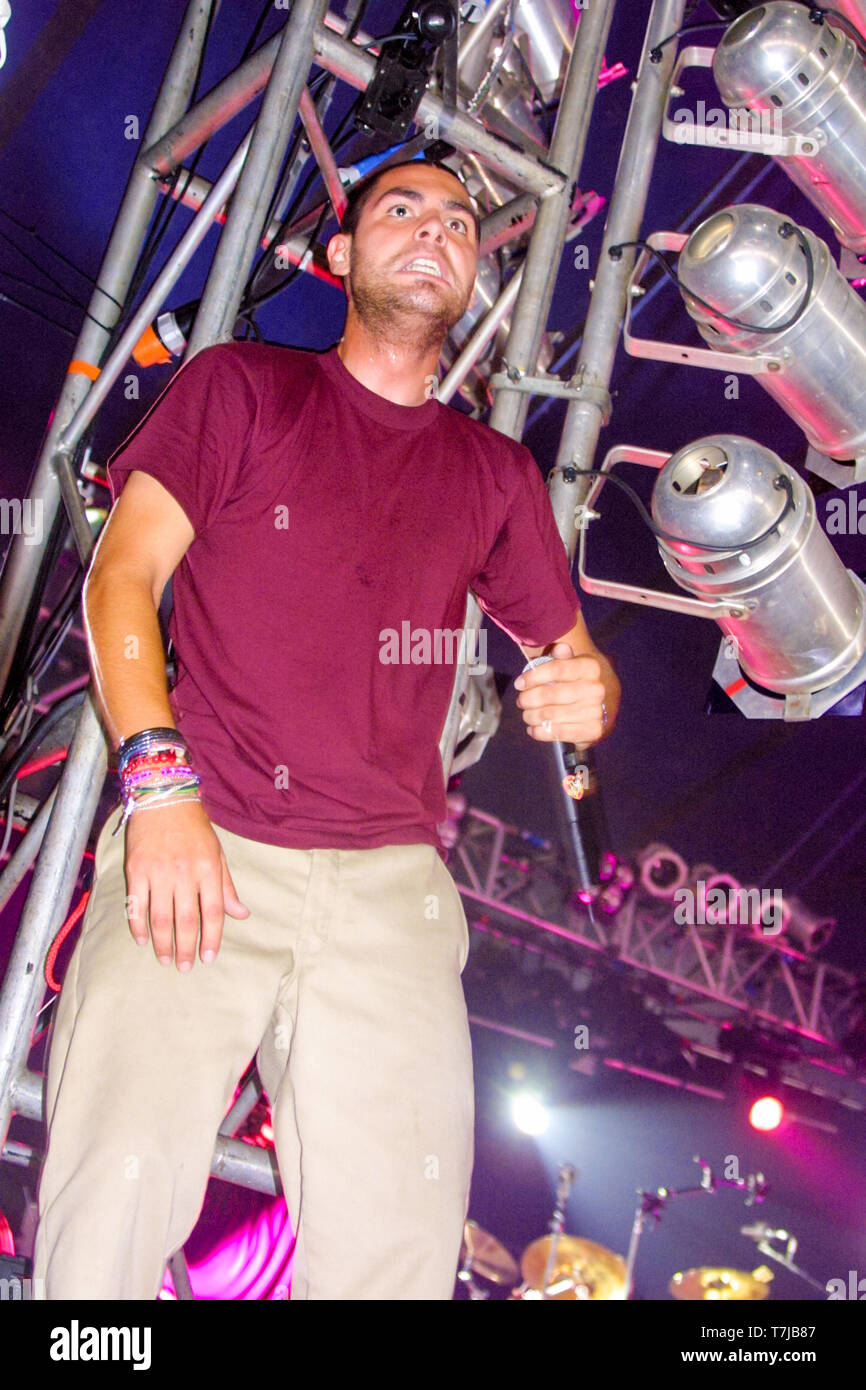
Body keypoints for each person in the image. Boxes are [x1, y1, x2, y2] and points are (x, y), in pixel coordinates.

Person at [32, 157, 621, 1301]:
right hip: (205, 836)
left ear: (469, 271)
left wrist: (586, 690)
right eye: (399, 209)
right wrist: (158, 787)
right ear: (340, 256)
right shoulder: (240, 387)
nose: (435, 230)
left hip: (391, 886)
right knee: (115, 1188)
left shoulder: (493, 473)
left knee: (397, 1242)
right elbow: (121, 578)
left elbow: (574, 660)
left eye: (458, 221)